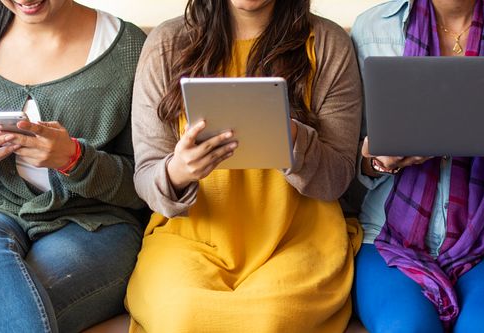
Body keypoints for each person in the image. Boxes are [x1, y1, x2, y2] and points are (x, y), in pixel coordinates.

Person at [124, 0, 362, 331]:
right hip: (190, 242)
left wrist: (291, 138)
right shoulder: (166, 43)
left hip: (297, 241)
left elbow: (338, 178)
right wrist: (179, 170)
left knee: (270, 319)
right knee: (181, 314)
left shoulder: (327, 43)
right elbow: (147, 175)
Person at [349, 0, 484, 332]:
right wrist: (378, 161)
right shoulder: (371, 29)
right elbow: (354, 160)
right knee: (405, 327)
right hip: (390, 237)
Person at [0, 0, 147, 331]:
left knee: (2, 304)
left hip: (93, 225)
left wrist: (75, 159)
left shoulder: (128, 49)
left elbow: (146, 186)